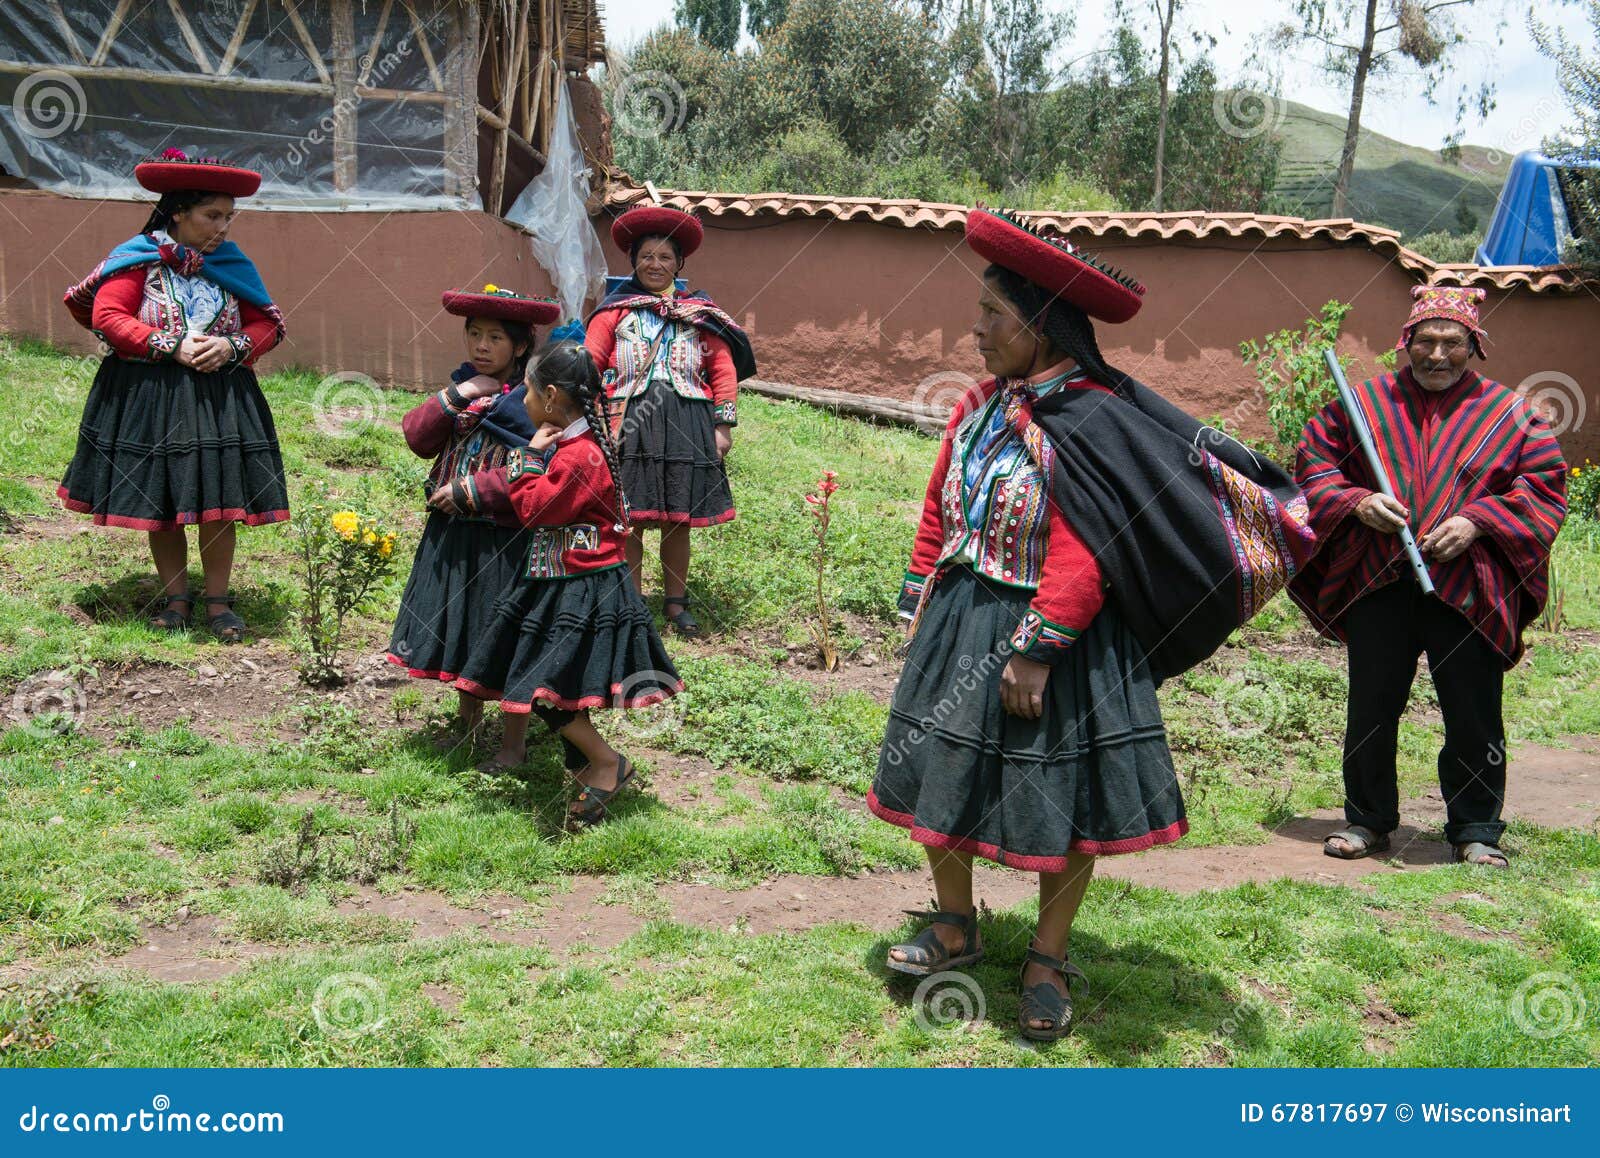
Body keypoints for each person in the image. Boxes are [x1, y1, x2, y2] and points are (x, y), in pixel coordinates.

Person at [870, 207, 1314, 1040]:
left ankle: (1047, 955)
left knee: (1059, 798)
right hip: (963, 620)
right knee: (942, 773)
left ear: (1042, 327)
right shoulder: (977, 408)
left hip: (1057, 638)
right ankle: (956, 922)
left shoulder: (1092, 421)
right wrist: (918, 597)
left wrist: (1040, 647)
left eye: (992, 316)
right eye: (980, 314)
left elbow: (1088, 542)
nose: (977, 331)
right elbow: (941, 505)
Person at [1290, 286, 1567, 869]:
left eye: (1453, 343)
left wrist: (1477, 519)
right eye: (1426, 341)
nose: (1438, 354)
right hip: (1380, 579)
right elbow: (1314, 464)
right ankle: (1367, 820)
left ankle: (1476, 829)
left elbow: (1542, 486)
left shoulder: (1512, 416)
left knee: (1473, 711)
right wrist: (1356, 501)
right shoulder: (1360, 405)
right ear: (1406, 343)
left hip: (1470, 590)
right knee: (1371, 707)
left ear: (1474, 348)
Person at [59, 148, 287, 642]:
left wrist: (233, 344)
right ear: (177, 212)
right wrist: (171, 345)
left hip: (222, 394)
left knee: (222, 499)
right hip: (152, 393)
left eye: (229, 216)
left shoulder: (230, 262)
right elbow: (109, 317)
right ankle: (176, 598)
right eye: (212, 215)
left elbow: (265, 322)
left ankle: (219, 602)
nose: (222, 226)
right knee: (163, 496)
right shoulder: (139, 259)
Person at [453, 341, 682, 829]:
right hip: (559, 580)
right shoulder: (575, 446)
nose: (525, 402)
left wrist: (527, 457)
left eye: (529, 394)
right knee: (553, 685)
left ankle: (605, 763)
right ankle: (586, 767)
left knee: (540, 686)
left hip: (581, 587)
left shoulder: (579, 456)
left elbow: (535, 509)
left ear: (552, 396)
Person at [387, 285, 560, 767]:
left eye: (495, 339)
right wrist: (459, 393)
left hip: (507, 538)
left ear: (521, 347)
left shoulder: (540, 404)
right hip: (456, 533)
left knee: (504, 636)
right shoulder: (463, 390)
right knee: (466, 628)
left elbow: (544, 472)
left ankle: (513, 747)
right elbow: (418, 437)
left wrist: (473, 490)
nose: (482, 346)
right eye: (475, 334)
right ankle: (465, 725)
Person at [584, 206, 756, 635]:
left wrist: (723, 426)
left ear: (680, 264)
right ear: (633, 262)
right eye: (646, 256)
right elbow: (589, 363)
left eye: (664, 258)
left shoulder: (700, 315)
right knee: (632, 517)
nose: (655, 265)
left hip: (688, 421)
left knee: (679, 519)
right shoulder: (614, 313)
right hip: (628, 423)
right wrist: (584, 421)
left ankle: (676, 605)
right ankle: (634, 602)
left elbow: (722, 369)